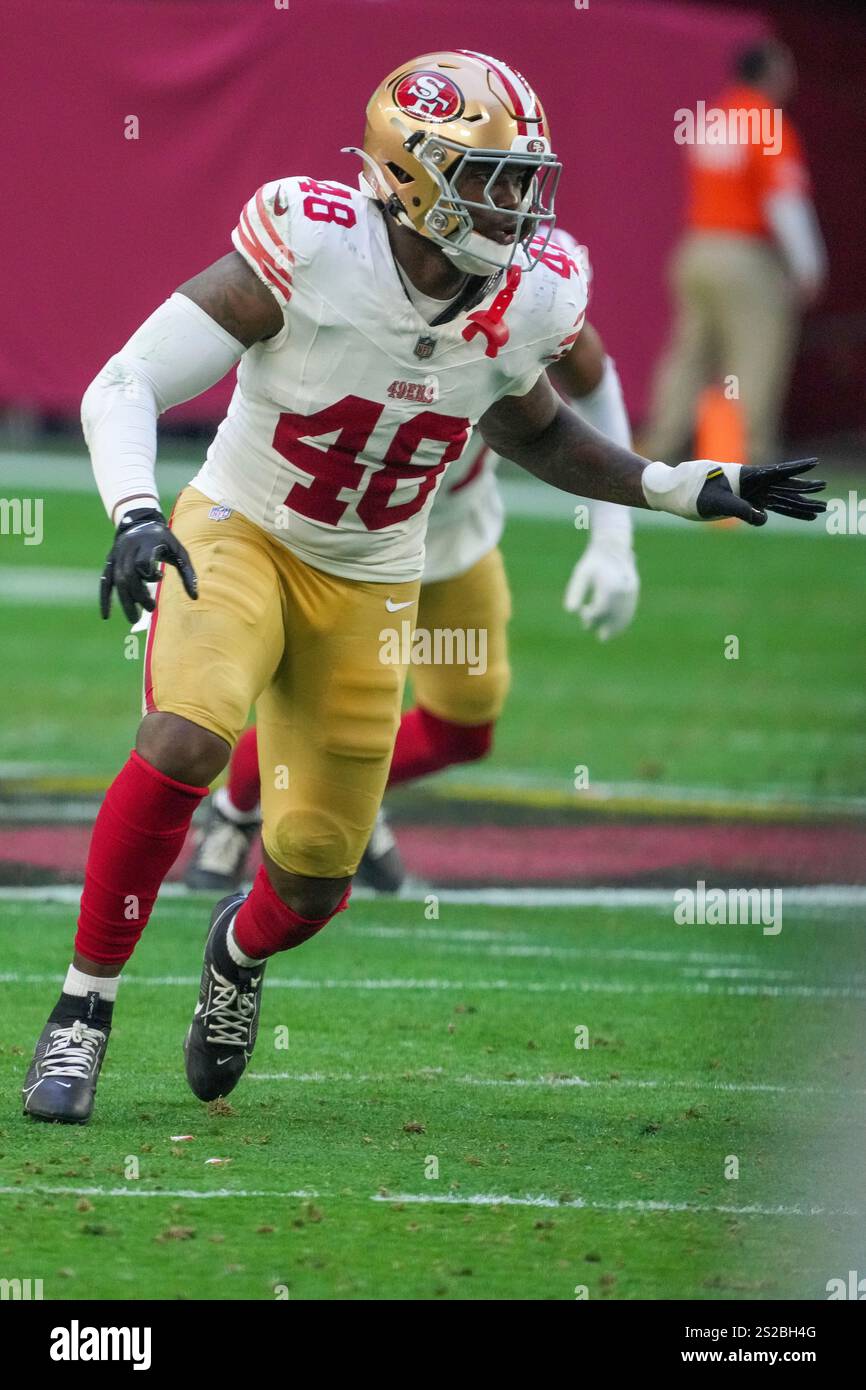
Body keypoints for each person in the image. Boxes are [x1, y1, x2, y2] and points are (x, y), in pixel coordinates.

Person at [21, 50, 824, 1125]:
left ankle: (236, 952)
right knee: (186, 741)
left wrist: (683, 487)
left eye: (522, 178)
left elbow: (540, 431)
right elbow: (126, 380)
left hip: (374, 572)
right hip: (245, 529)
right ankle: (84, 1005)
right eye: (488, 177)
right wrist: (133, 511)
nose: (515, 204)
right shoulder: (310, 244)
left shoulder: (526, 296)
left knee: (311, 879)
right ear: (406, 175)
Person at [185, 231, 640, 895]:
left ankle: (341, 789)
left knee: (465, 725)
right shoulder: (357, 277)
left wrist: (612, 536)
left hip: (451, 535)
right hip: (342, 538)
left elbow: (592, 383)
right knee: (324, 711)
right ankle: (238, 808)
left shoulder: (530, 298)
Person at [644, 40, 827, 468]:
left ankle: (659, 447)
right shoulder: (765, 120)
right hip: (744, 255)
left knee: (689, 355)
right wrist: (808, 265)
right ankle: (747, 457)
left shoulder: (715, 117)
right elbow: (784, 199)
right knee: (755, 355)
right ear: (768, 73)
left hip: (697, 248)